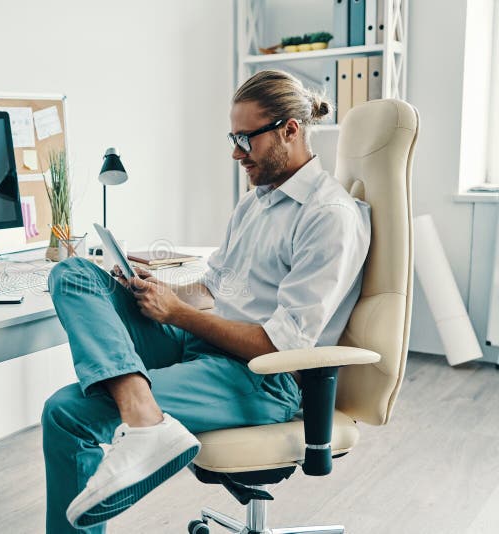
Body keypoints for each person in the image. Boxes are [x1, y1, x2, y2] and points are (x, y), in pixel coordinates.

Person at [41, 69, 371, 533]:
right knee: (74, 275)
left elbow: (281, 348)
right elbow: (217, 290)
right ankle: (145, 415)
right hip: (202, 344)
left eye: (245, 138)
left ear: (289, 130)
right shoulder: (256, 202)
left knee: (67, 412)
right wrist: (159, 290)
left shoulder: (328, 217)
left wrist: (177, 313)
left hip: (260, 379)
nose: (236, 152)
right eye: (232, 137)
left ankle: (144, 422)